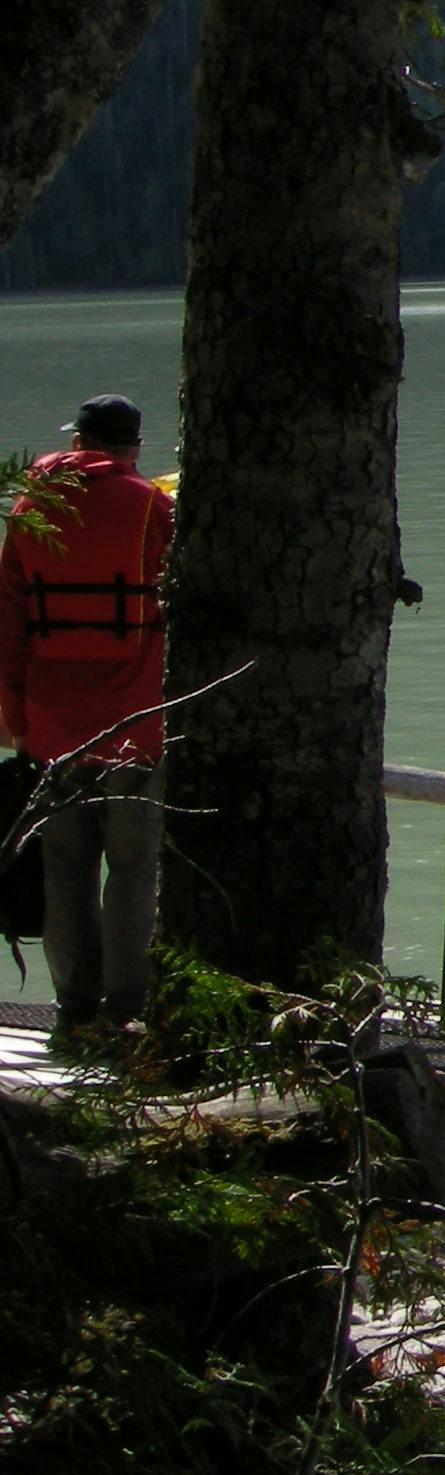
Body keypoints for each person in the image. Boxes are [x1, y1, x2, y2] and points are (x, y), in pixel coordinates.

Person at [1, 395, 175, 1035]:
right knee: (132, 870)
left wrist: (14, 717)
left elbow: (9, 623)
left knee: (64, 873)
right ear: (133, 446)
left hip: (52, 728)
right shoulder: (155, 508)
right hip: (135, 723)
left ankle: (73, 1011)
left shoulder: (31, 509)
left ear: (77, 442)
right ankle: (126, 1013)